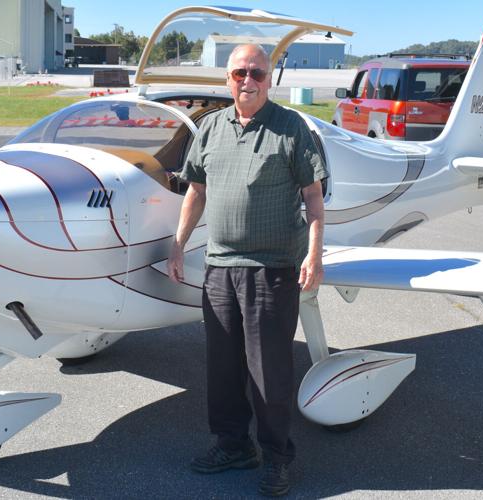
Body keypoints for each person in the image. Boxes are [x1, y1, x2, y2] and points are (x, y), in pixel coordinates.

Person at [167, 44, 326, 497]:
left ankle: (277, 458)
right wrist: (178, 245)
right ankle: (233, 446)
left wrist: (314, 255)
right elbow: (196, 190)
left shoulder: (290, 127)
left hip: (271, 269)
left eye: (257, 73)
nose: (248, 81)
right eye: (240, 73)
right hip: (220, 267)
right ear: (228, 78)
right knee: (222, 369)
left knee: (269, 372)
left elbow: (313, 198)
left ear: (269, 79)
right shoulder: (211, 127)